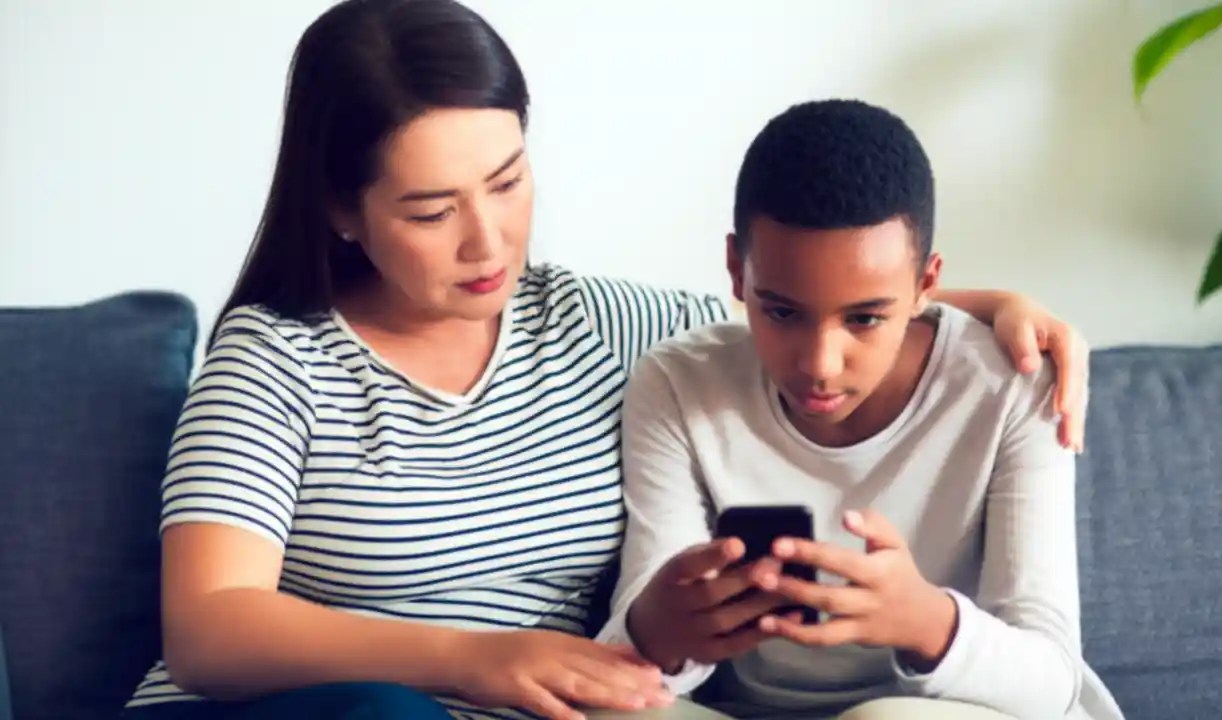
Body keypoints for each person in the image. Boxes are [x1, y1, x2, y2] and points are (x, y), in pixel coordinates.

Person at [120, 2, 1091, 719]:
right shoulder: (275, 359)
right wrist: (474, 659)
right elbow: (209, 630)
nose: (486, 242)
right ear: (339, 211)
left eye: (506, 182)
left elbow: (793, 307)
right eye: (429, 210)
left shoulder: (602, 327)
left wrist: (988, 311)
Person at [606, 99, 1123, 720]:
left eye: (865, 318)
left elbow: (1053, 685)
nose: (821, 363)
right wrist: (655, 631)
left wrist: (927, 622)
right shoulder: (678, 381)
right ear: (735, 273)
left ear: (926, 285)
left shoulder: (1012, 385)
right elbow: (627, 669)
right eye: (782, 312)